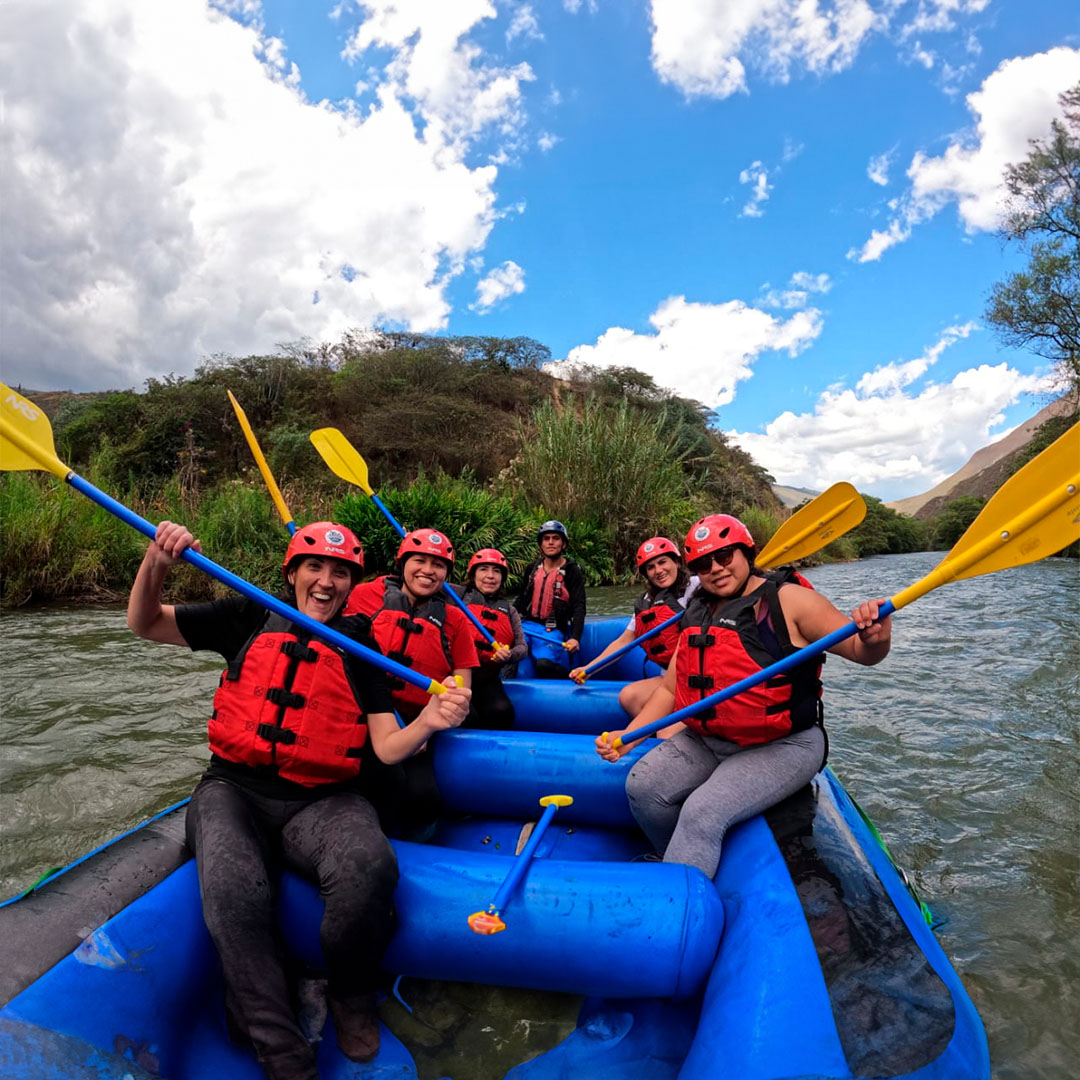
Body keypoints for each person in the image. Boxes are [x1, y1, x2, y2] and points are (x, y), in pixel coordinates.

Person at [127, 520, 471, 1080]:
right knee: (233, 892)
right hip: (234, 790)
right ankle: (283, 1054)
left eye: (340, 572)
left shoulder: (360, 643)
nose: (326, 582)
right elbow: (144, 623)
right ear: (292, 574)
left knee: (370, 867)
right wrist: (157, 563)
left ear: (353, 583)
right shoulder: (247, 614)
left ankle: (351, 995)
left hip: (324, 799)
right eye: (314, 567)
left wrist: (430, 721)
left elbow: (387, 747)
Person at [595, 513, 890, 880]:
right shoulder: (697, 611)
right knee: (643, 787)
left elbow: (862, 652)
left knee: (702, 812)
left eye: (724, 556)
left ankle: (678, 894)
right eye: (704, 564)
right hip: (709, 739)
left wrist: (875, 638)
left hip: (784, 744)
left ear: (746, 552)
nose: (716, 568)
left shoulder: (791, 600)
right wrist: (629, 736)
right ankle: (680, 865)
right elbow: (670, 688)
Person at [344, 528, 480, 831]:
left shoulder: (456, 620)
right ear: (402, 563)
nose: (428, 571)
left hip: (417, 717)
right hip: (361, 709)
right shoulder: (363, 596)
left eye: (438, 565)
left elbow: (462, 682)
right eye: (419, 561)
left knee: (422, 798)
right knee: (372, 777)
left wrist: (428, 726)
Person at [570, 536, 696, 722]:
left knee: (667, 729)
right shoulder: (647, 603)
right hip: (671, 677)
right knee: (629, 697)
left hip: (699, 674)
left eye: (662, 562)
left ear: (676, 562)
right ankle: (657, 735)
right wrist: (589, 669)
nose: (658, 571)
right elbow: (624, 641)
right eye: (651, 567)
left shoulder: (697, 585)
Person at [456, 547, 528, 729]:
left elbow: (522, 647)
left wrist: (509, 654)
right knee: (467, 717)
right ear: (473, 574)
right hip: (454, 676)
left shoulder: (510, 611)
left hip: (485, 677)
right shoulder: (455, 596)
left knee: (502, 712)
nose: (490, 576)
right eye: (483, 569)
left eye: (496, 571)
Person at [514, 520, 586, 678]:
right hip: (526, 627)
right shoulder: (532, 569)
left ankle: (569, 677)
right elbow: (521, 600)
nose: (551, 542)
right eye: (546, 539)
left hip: (552, 630)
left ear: (563, 544)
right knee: (512, 658)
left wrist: (575, 638)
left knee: (543, 665)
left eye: (556, 538)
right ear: (541, 544)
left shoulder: (572, 571)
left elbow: (579, 607)